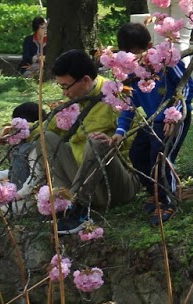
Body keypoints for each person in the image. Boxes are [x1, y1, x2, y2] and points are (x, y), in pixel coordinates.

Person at [31, 48, 138, 232]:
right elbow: (49, 127)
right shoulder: (73, 102)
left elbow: (137, 136)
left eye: (66, 86)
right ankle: (64, 203)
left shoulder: (114, 96)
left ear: (86, 80)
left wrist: (114, 140)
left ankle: (78, 210)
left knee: (97, 142)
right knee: (45, 138)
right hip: (82, 179)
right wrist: (20, 132)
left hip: (115, 183)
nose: (64, 93)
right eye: (61, 87)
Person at [112, 22, 193, 225]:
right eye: (129, 55)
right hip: (152, 120)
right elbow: (128, 103)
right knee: (137, 155)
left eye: (137, 53)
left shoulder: (166, 62)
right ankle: (155, 192)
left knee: (161, 159)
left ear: (149, 46)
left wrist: (173, 114)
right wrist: (121, 130)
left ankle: (169, 201)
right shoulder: (129, 71)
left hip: (173, 118)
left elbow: (187, 88)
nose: (135, 60)